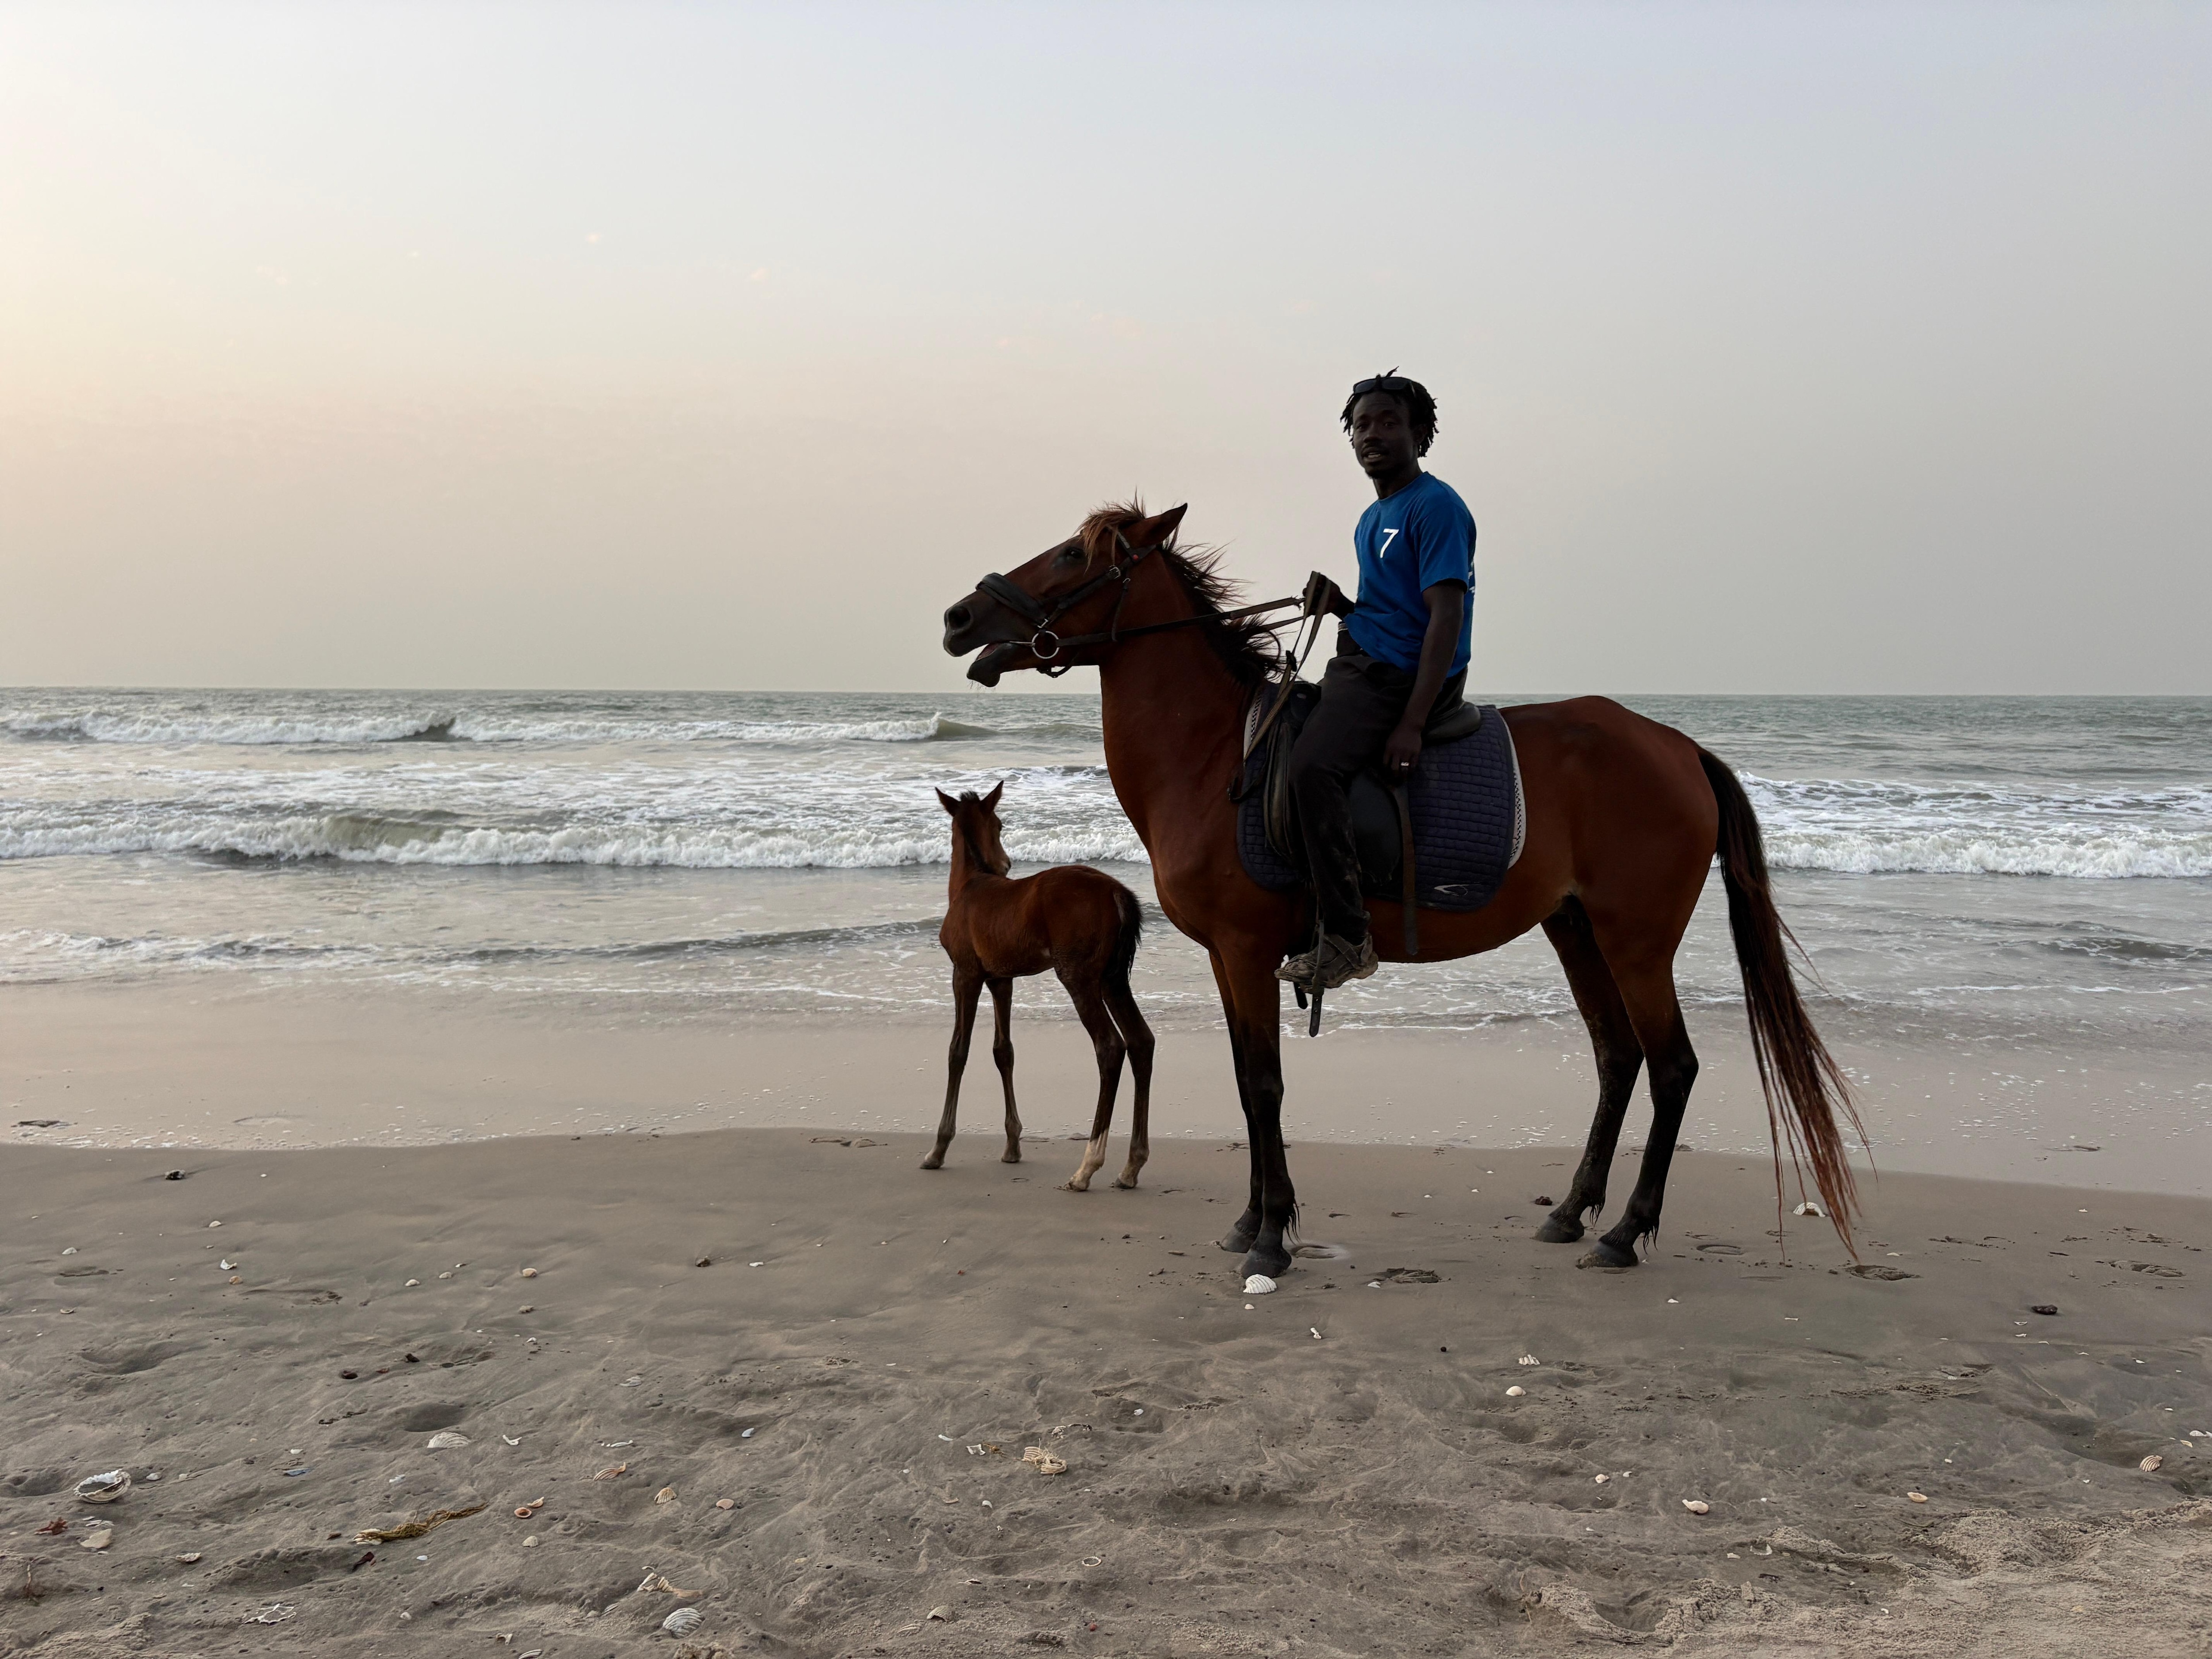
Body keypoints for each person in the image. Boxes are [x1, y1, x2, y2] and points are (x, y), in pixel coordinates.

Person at [1277, 370, 1477, 991]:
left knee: (1312, 768)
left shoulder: (1436, 506)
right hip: (1365, 662)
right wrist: (1341, 605)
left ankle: (1348, 938)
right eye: (1362, 424)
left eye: (1389, 422)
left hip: (1401, 676)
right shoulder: (1372, 516)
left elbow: (1446, 616)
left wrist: (1413, 721)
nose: (1373, 434)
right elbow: (1389, 609)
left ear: (1419, 434)